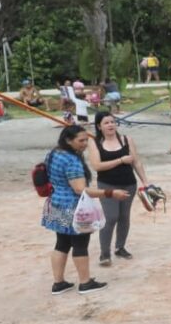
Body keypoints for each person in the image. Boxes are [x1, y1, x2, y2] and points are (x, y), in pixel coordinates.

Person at [42, 123, 126, 295]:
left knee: (62, 243)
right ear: (68, 140)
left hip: (57, 202)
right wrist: (110, 193)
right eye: (80, 141)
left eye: (86, 140)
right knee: (80, 244)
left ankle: (58, 283)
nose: (85, 144)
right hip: (75, 207)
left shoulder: (53, 153)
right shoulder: (72, 161)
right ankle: (85, 283)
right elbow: (80, 189)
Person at [88, 111, 149, 267]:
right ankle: (105, 253)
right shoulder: (94, 142)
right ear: (99, 126)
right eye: (106, 123)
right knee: (111, 217)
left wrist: (145, 181)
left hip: (129, 183)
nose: (110, 125)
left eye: (112, 122)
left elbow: (136, 162)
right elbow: (97, 166)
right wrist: (121, 160)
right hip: (107, 185)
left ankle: (120, 247)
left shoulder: (126, 139)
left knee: (124, 217)